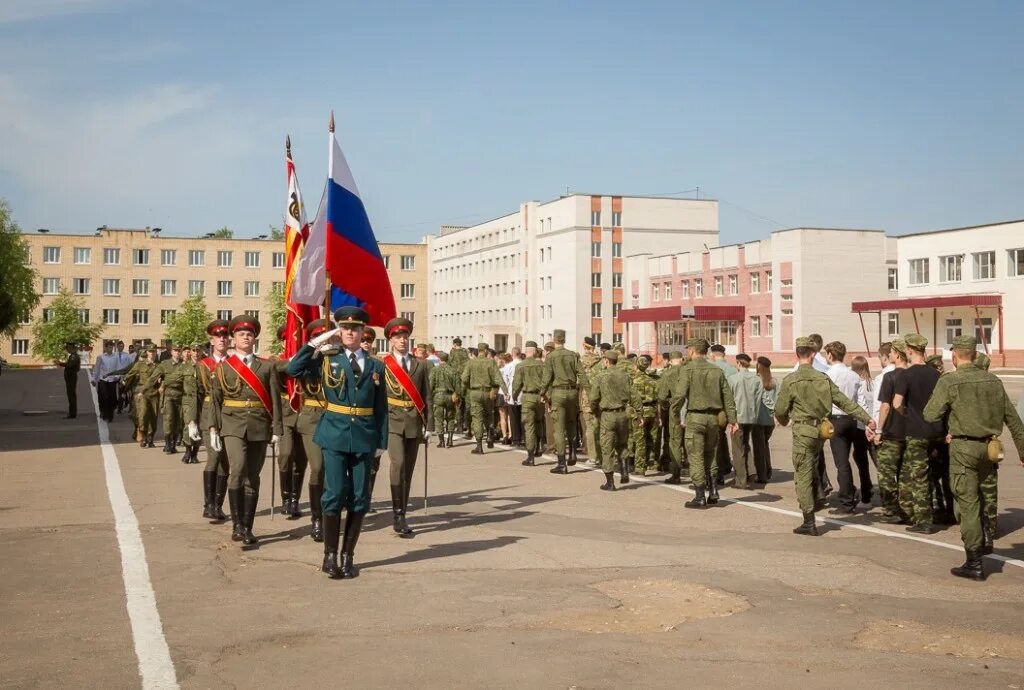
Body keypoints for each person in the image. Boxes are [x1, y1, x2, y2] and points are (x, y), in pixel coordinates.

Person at [287, 307, 388, 579]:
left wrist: (381, 442)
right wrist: (316, 343)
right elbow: (292, 368)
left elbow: (381, 408)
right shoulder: (326, 359)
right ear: (339, 331)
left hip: (364, 437)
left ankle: (348, 556)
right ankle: (329, 555)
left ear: (363, 332)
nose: (350, 333)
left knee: (359, 498)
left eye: (355, 329)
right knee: (332, 495)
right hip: (333, 434)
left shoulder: (376, 365)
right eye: (345, 328)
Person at [923, 335, 1024, 580]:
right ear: (975, 354)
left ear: (955, 356)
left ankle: (974, 562)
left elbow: (930, 414)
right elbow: (1013, 420)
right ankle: (985, 537)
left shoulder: (950, 381)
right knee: (983, 495)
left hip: (964, 448)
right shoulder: (994, 381)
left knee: (967, 504)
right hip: (990, 448)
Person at [775, 337, 874, 535]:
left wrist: (784, 420)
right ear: (812, 355)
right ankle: (818, 495)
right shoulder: (823, 378)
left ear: (797, 354)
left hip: (803, 431)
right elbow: (845, 402)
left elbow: (780, 409)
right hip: (821, 431)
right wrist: (867, 419)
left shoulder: (791, 380)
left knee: (803, 473)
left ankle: (809, 521)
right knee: (812, 466)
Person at [209, 315, 283, 547]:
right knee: (238, 470)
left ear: (254, 339)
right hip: (232, 425)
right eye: (241, 334)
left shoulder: (266, 366)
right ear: (233, 338)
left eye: (250, 334)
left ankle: (248, 527)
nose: (246, 337)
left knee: (253, 477)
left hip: (260, 425)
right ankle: (236, 525)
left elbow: (275, 399)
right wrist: (213, 427)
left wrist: (277, 429)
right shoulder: (223, 368)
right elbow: (215, 400)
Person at [381, 317, 431, 538]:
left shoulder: (420, 364)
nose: (402, 340)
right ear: (390, 340)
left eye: (405, 337)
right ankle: (397, 513)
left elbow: (427, 396)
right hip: (391, 421)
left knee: (408, 471)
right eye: (398, 337)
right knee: (398, 465)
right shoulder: (383, 364)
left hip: (413, 421)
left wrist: (429, 425)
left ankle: (402, 514)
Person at [675, 338, 738, 508]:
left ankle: (699, 496)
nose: (688, 352)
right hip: (714, 419)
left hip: (695, 417)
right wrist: (733, 420)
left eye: (689, 349)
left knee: (696, 456)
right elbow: (728, 397)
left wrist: (675, 415)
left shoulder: (687, 369)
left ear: (693, 351)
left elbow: (679, 395)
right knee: (711, 456)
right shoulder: (717, 370)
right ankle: (714, 490)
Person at [892, 333, 944, 534]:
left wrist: (906, 413)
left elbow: (897, 403)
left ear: (909, 350)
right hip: (936, 430)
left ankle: (924, 520)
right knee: (933, 474)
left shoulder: (905, 375)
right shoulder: (936, 374)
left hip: (916, 432)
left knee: (919, 476)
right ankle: (939, 509)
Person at [823, 341, 872, 514]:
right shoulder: (853, 375)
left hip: (836, 419)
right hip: (854, 420)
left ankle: (846, 501)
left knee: (842, 463)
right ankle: (865, 493)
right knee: (860, 459)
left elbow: (824, 401)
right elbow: (861, 401)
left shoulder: (827, 374)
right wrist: (866, 422)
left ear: (830, 355)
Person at [190, 320, 231, 521]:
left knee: (225, 463)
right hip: (208, 416)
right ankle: (208, 504)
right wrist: (192, 421)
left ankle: (218, 505)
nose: (222, 339)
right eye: (218, 336)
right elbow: (194, 394)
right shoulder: (203, 365)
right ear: (212, 340)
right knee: (214, 458)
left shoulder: (234, 363)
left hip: (230, 416)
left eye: (225, 336)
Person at [292, 319, 330, 540]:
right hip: (312, 420)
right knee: (318, 467)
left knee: (333, 471)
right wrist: (312, 347)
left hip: (335, 419)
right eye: (319, 339)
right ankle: (317, 519)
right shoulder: (308, 362)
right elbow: (292, 368)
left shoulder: (337, 359)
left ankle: (329, 514)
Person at [272, 325, 306, 520]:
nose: (290, 343)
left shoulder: (306, 360)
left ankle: (295, 499)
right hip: (285, 412)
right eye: (286, 339)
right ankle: (285, 497)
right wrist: (293, 361)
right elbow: (276, 369)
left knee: (301, 460)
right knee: (285, 455)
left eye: (293, 339)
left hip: (304, 412)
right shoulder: (274, 360)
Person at [873, 337, 908, 523]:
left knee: (887, 473)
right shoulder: (914, 375)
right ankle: (908, 509)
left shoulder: (890, 377)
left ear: (897, 354)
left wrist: (879, 430)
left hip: (892, 432)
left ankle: (891, 511)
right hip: (911, 432)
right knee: (906, 473)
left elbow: (885, 406)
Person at [590, 349, 632, 490]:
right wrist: (638, 414)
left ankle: (610, 482)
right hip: (623, 413)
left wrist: (595, 412)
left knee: (607, 447)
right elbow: (634, 395)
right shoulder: (625, 376)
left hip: (608, 415)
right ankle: (625, 470)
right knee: (623, 443)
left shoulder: (601, 376)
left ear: (606, 361)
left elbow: (593, 398)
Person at [542, 329, 582, 474]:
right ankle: (572, 452)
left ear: (554, 339)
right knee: (572, 423)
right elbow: (582, 375)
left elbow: (546, 378)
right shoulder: (573, 355)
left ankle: (561, 463)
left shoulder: (551, 357)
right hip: (573, 392)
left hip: (558, 393)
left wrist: (542, 393)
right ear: (564, 339)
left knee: (558, 429)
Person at [461, 342, 503, 454]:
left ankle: (479, 446)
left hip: (475, 393)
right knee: (489, 414)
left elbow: (464, 378)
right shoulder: (491, 362)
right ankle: (490, 436)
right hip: (488, 392)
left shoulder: (471, 363)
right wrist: (501, 389)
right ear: (486, 351)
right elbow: (498, 378)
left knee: (477, 418)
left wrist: (464, 390)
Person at [727, 353, 761, 490]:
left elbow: (729, 401)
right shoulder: (756, 379)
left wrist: (732, 420)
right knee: (746, 444)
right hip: (751, 417)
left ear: (738, 363)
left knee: (737, 449)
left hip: (738, 418)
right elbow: (758, 401)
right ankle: (751, 472)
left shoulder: (733, 379)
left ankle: (741, 480)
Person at [149, 343, 188, 455]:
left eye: (178, 350)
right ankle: (167, 443)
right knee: (168, 419)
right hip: (168, 396)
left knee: (178, 421)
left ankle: (173, 444)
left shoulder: (184, 365)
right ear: (171, 352)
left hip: (180, 395)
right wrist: (144, 389)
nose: (177, 352)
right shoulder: (165, 364)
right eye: (175, 350)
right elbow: (154, 377)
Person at [512, 341, 547, 466]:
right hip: (540, 397)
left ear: (526, 351)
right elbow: (546, 381)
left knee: (529, 426)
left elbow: (516, 384)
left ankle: (530, 456)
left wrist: (514, 396)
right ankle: (540, 444)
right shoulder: (542, 365)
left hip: (527, 397)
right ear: (534, 351)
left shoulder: (521, 366)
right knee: (539, 421)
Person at [658, 351, 688, 484]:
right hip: (691, 409)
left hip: (675, 410)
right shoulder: (688, 371)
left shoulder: (667, 374)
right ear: (681, 359)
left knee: (675, 441)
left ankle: (676, 474)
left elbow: (662, 396)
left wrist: (667, 406)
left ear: (670, 360)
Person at [709, 344, 737, 482]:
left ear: (713, 355)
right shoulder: (732, 369)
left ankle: (718, 471)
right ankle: (726, 465)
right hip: (729, 408)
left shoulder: (712, 368)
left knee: (716, 440)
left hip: (716, 408)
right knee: (722, 437)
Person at [630, 355, 661, 475]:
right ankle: (651, 462)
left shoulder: (633, 380)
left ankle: (639, 467)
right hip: (652, 411)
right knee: (651, 439)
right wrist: (658, 416)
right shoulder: (653, 380)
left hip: (640, 412)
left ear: (636, 365)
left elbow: (631, 399)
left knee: (640, 441)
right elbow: (657, 398)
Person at [124, 346, 159, 447]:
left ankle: (150, 438)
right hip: (142, 393)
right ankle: (143, 435)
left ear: (156, 353)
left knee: (153, 416)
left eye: (154, 351)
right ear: (147, 353)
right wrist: (124, 381)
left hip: (154, 393)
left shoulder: (159, 366)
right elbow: (131, 373)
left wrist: (162, 385)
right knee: (143, 414)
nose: (152, 353)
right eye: (150, 351)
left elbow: (164, 377)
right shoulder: (140, 364)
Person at [578, 337, 603, 465]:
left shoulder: (581, 361)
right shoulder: (602, 361)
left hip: (587, 399)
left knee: (589, 428)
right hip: (600, 399)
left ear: (585, 347)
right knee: (599, 427)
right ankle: (602, 456)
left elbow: (578, 381)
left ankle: (593, 457)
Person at [429, 351, 460, 448]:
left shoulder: (435, 370)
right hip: (450, 396)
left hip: (438, 396)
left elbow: (430, 385)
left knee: (439, 419)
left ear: (439, 359)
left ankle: (441, 441)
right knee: (450, 418)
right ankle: (450, 440)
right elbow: (458, 386)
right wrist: (457, 396)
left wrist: (429, 396)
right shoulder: (453, 370)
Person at [850, 355, 877, 467]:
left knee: (860, 456)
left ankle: (866, 482)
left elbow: (859, 404)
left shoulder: (857, 384)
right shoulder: (873, 383)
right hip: (874, 423)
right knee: (874, 453)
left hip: (861, 425)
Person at [753, 356, 776, 482]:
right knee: (765, 444)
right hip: (770, 420)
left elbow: (757, 399)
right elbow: (777, 400)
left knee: (759, 447)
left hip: (758, 418)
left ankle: (762, 475)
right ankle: (768, 471)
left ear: (758, 366)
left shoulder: (757, 381)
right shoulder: (774, 381)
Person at [178, 345, 201, 464]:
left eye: (198, 350)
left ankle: (195, 454)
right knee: (188, 426)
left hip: (201, 400)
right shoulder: (184, 367)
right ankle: (187, 451)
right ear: (190, 353)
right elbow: (176, 381)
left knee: (199, 427)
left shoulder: (205, 366)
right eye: (193, 350)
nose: (196, 353)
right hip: (187, 400)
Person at [91, 340, 120, 422]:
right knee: (104, 397)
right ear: (105, 347)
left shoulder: (116, 357)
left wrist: (117, 377)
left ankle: (110, 415)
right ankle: (104, 413)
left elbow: (118, 368)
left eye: (112, 347)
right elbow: (96, 369)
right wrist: (94, 379)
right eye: (109, 347)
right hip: (103, 380)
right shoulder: (101, 357)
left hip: (112, 380)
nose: (110, 349)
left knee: (112, 398)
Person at [54, 342, 81, 419]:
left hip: (71, 377)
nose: (68, 350)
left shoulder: (74, 356)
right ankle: (72, 412)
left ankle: (72, 413)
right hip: (70, 377)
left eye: (69, 348)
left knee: (71, 395)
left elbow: (70, 365)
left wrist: (60, 363)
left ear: (72, 348)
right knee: (71, 395)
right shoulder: (72, 356)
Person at [448, 337, 470, 432]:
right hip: (465, 380)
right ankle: (466, 424)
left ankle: (459, 426)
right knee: (466, 403)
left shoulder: (452, 352)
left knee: (457, 403)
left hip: (456, 380)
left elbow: (449, 365)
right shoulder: (465, 352)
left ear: (454, 344)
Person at [501, 351, 520, 445]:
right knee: (522, 417)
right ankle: (523, 437)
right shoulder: (523, 363)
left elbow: (505, 381)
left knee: (512, 417)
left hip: (512, 394)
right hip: (524, 394)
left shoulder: (509, 366)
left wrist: (506, 393)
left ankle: (515, 438)